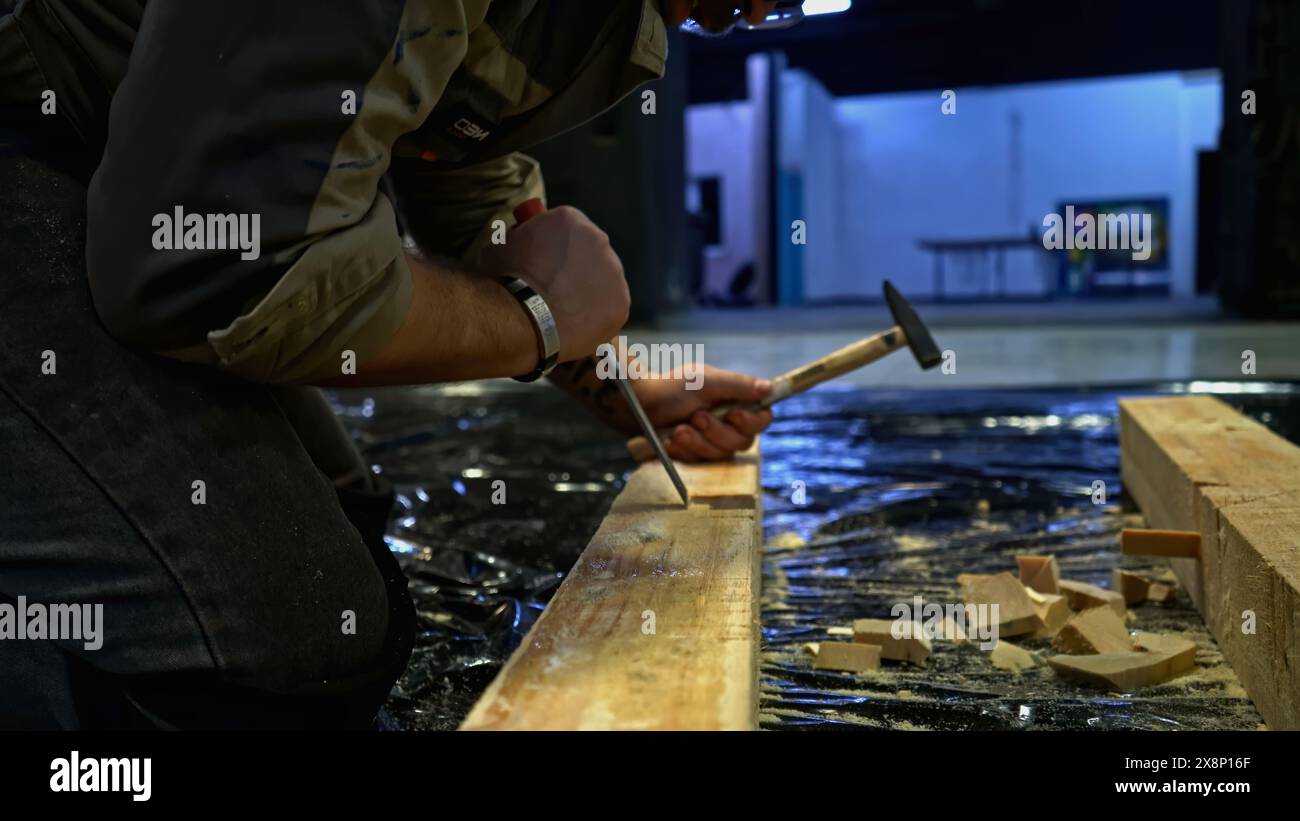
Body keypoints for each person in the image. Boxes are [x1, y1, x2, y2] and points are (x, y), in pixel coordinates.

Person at [0, 0, 784, 729]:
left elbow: (453, 135)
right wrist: (536, 323)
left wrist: (611, 379)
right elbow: (213, 269)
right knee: (279, 645)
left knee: (347, 517)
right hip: (44, 148)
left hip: (111, 165)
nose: (762, 11)